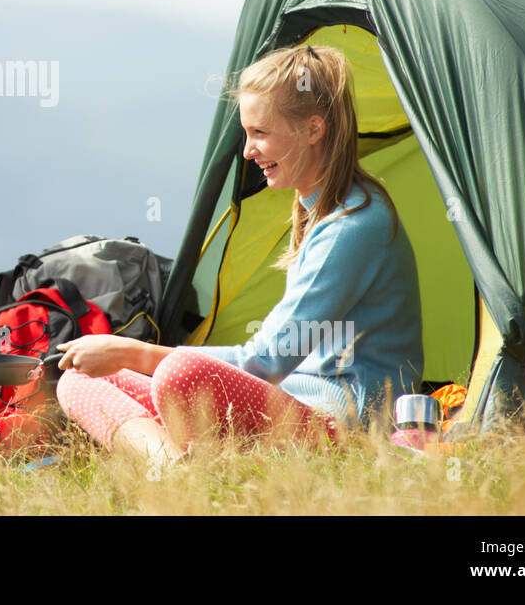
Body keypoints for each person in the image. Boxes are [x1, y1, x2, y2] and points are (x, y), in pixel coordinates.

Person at [55, 43, 423, 463]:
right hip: (288, 402)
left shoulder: (353, 227)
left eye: (260, 133)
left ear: (313, 130)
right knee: (78, 381)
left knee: (178, 375)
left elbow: (264, 361)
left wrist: (130, 352)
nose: (248, 151)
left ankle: (188, 466)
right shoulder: (319, 209)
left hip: (342, 426)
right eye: (248, 134)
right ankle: (174, 471)